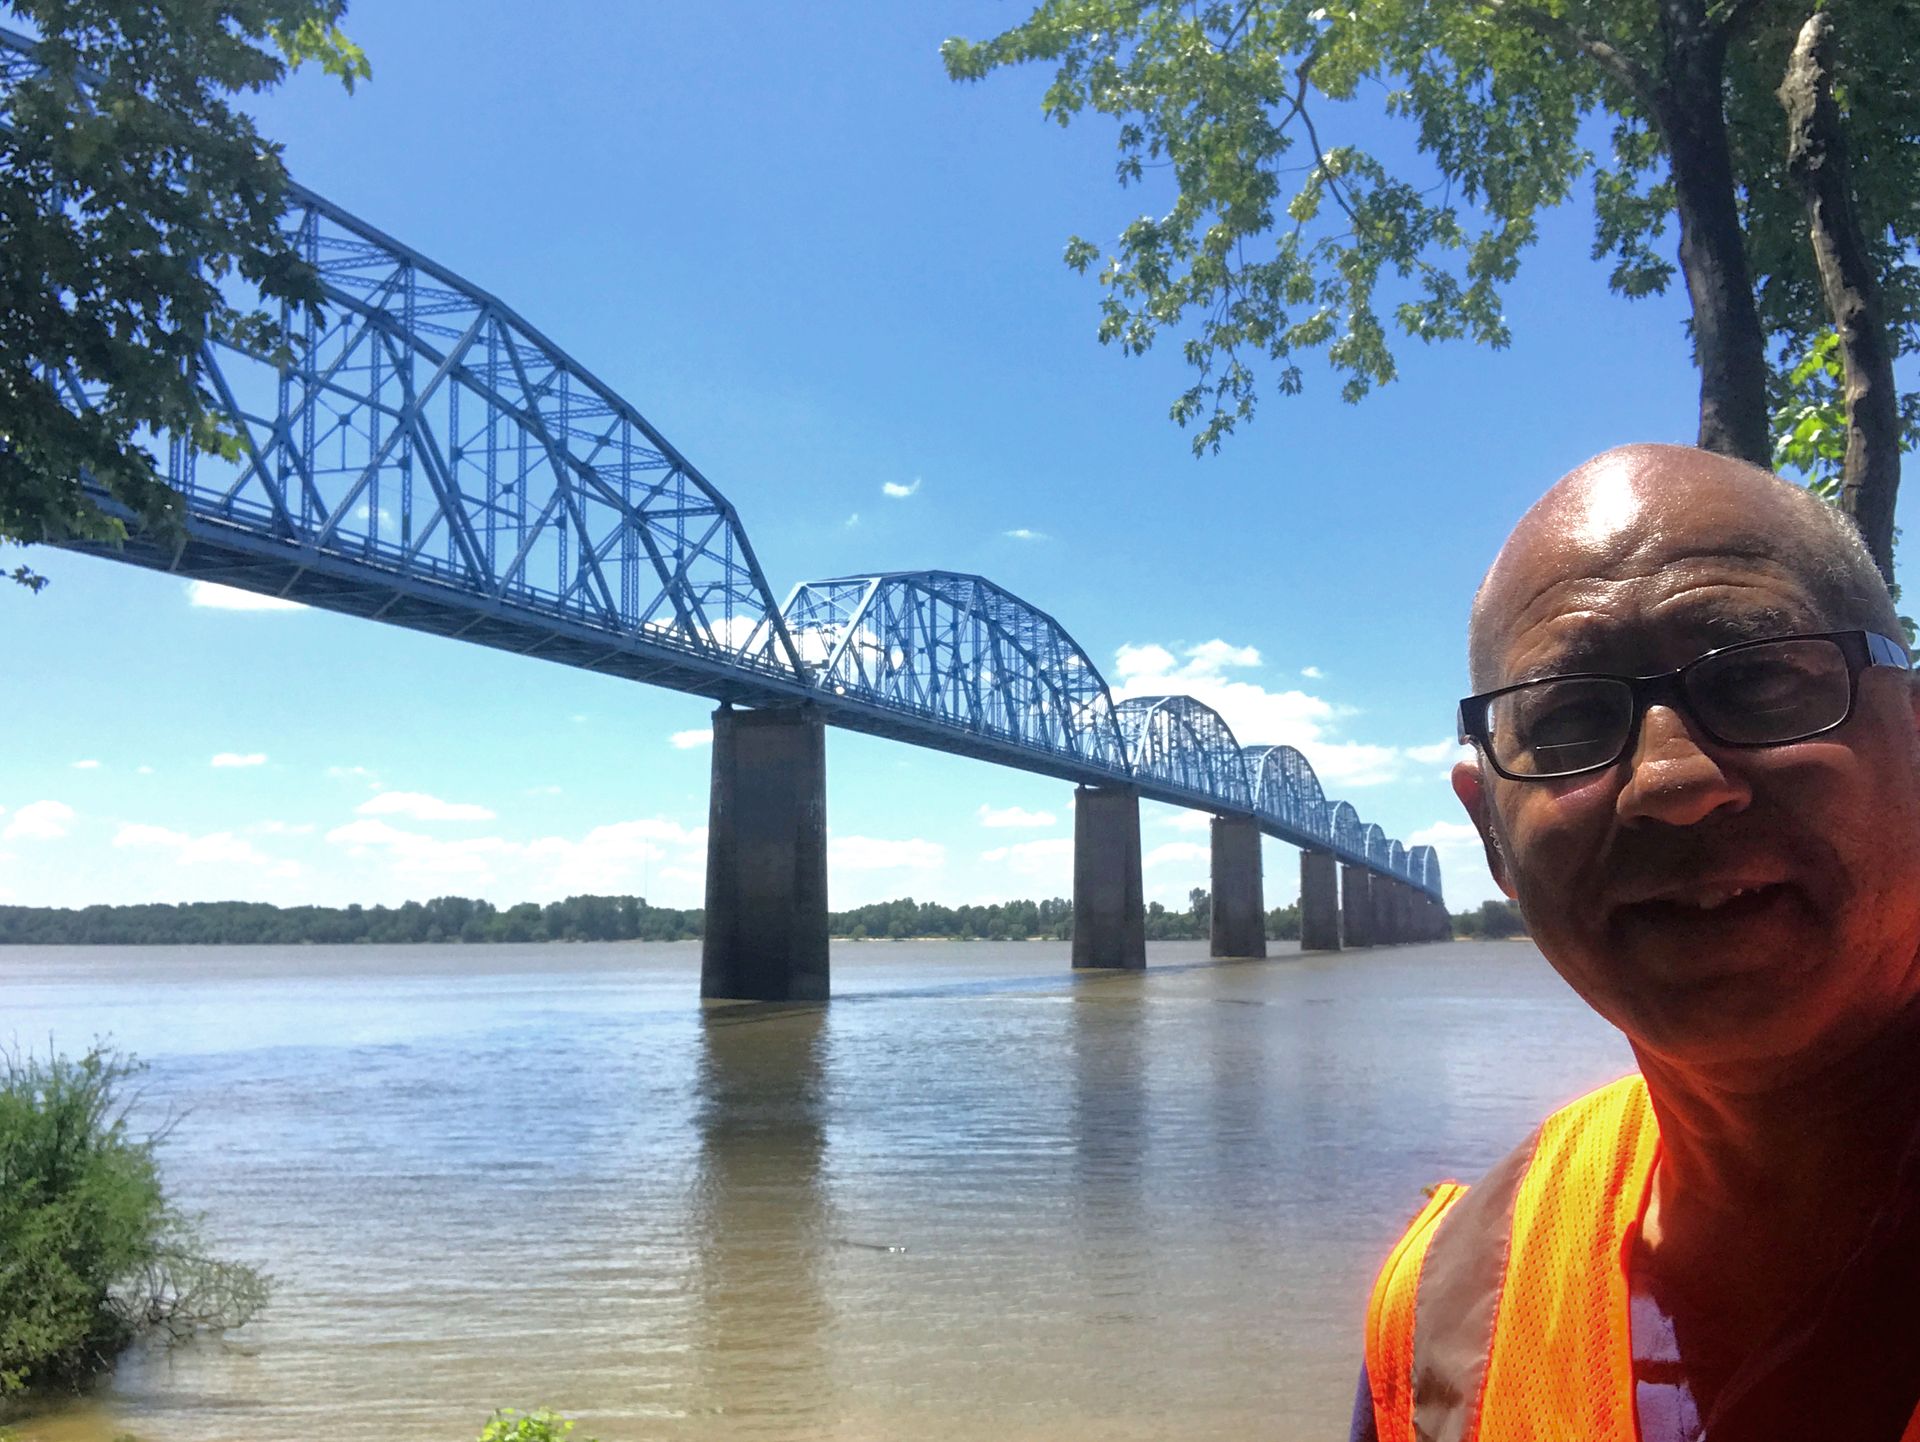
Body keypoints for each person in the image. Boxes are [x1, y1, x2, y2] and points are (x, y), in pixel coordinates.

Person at [1350, 444, 1920, 1442]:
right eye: (1570, 719)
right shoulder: (1440, 1308)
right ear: (1491, 835)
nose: (1670, 777)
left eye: (1757, 679)